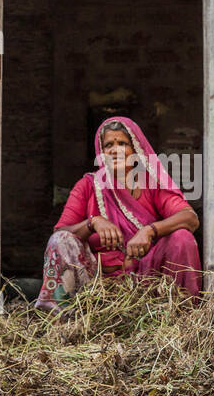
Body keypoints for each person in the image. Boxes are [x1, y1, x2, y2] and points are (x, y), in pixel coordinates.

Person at [36, 116, 201, 311]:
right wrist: (93, 223)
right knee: (60, 239)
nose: (115, 150)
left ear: (135, 150)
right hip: (96, 287)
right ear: (102, 153)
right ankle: (62, 318)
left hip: (146, 280)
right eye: (108, 145)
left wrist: (149, 231)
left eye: (122, 143)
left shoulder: (152, 184)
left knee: (181, 237)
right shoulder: (88, 186)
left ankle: (179, 315)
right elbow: (61, 232)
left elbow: (189, 218)